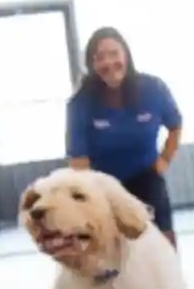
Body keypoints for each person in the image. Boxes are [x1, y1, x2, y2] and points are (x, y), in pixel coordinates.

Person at [66, 27, 183, 248]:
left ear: (125, 55)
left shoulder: (153, 88)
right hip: (102, 185)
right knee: (112, 252)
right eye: (99, 58)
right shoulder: (80, 102)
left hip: (146, 177)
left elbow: (175, 125)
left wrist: (165, 159)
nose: (108, 63)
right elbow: (78, 160)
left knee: (161, 245)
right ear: (91, 65)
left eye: (114, 54)